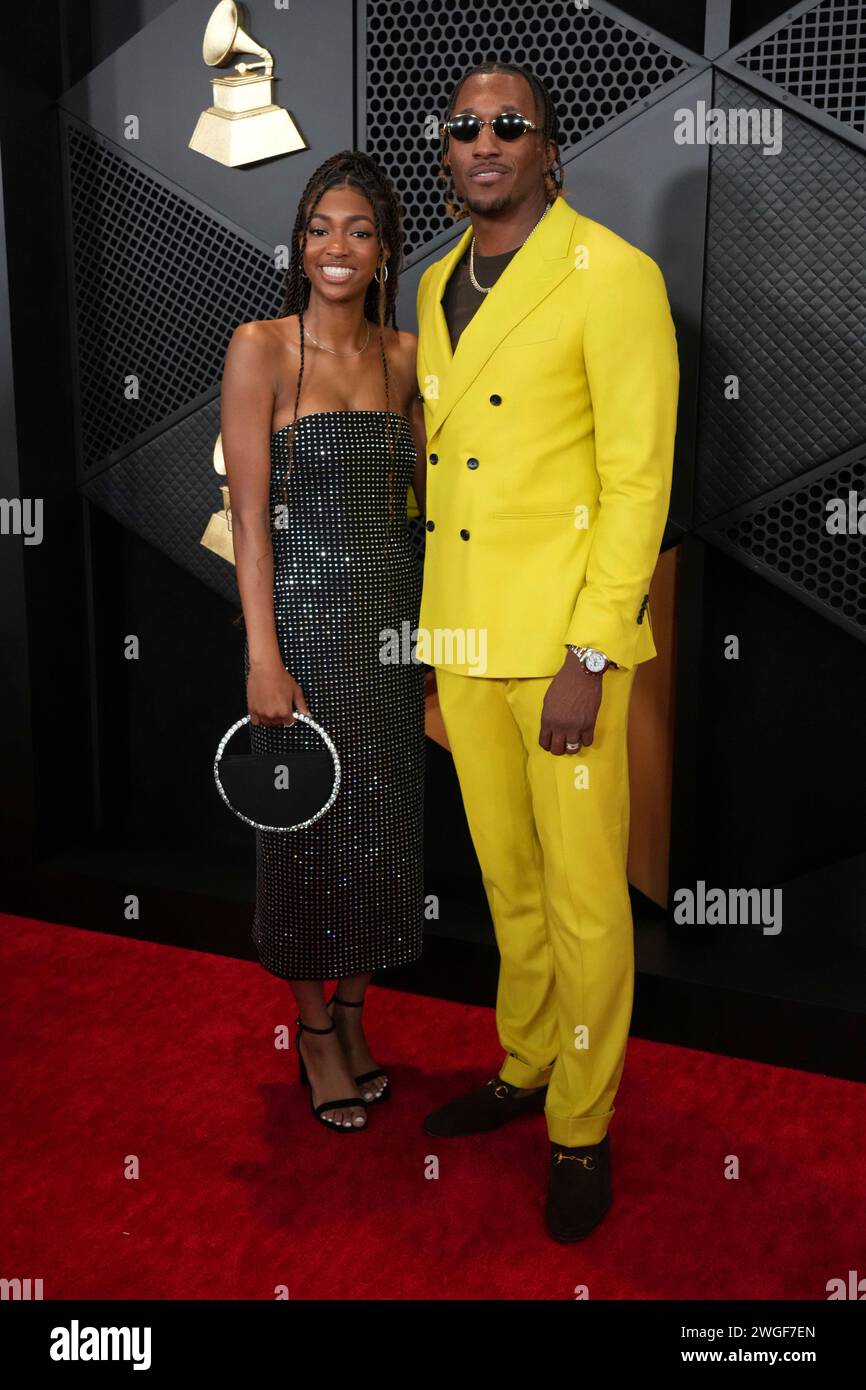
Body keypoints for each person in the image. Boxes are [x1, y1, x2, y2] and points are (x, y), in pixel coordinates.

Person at [415, 62, 680, 1238]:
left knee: (581, 898)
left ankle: (580, 1120)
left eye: (507, 124)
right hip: (465, 638)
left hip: (563, 648)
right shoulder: (428, 284)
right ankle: (522, 1062)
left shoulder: (613, 275)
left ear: (546, 148)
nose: (484, 140)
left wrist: (591, 653)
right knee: (505, 882)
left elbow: (635, 483)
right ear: (447, 153)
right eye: (464, 126)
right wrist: (430, 642)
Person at [220, 151, 427, 1133]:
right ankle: (309, 1034)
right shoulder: (260, 346)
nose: (334, 247)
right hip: (301, 630)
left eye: (356, 230)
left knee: (379, 837)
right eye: (318, 228)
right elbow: (251, 521)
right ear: (297, 244)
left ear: (383, 249)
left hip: (390, 637)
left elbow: (434, 508)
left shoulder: (408, 354)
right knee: (303, 839)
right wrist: (263, 653)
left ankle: (351, 1013)